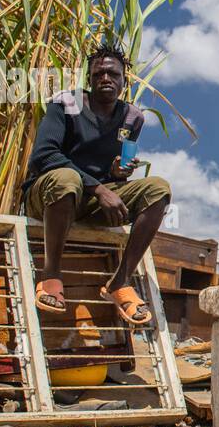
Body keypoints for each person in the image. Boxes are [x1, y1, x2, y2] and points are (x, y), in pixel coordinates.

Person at [22, 44, 172, 326]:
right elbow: (44, 155)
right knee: (67, 180)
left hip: (87, 201)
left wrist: (115, 176)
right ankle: (51, 276)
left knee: (158, 188)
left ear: (123, 80)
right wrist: (100, 188)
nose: (106, 79)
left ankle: (120, 281)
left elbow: (110, 175)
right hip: (47, 196)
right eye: (98, 74)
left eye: (113, 74)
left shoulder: (132, 118)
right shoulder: (66, 104)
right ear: (88, 80)